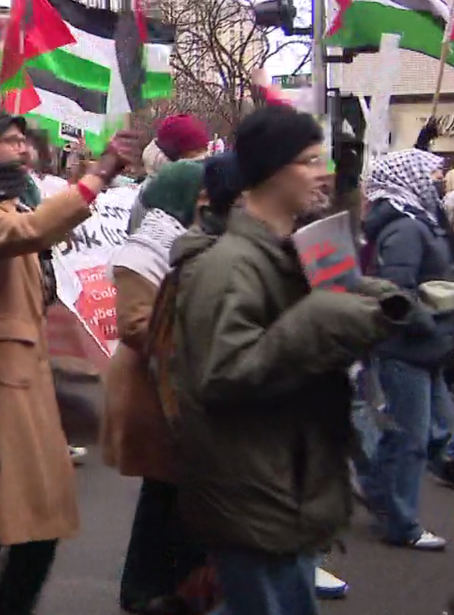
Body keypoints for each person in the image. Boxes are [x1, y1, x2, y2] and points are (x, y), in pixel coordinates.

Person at [172, 105, 413, 615]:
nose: (321, 170)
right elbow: (222, 374)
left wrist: (369, 303)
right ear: (274, 169)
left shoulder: (290, 249)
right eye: (308, 160)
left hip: (288, 483)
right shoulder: (227, 265)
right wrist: (325, 316)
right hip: (257, 493)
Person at [0, 111, 132, 613]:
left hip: (24, 386)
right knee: (4, 524)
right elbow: (29, 231)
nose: (24, 150)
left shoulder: (9, 203)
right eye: (9, 142)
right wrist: (100, 176)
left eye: (24, 141)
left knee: (32, 524)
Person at [101, 160, 207, 615]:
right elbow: (135, 325)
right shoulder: (144, 251)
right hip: (151, 391)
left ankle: (163, 587)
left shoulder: (193, 244)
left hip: (176, 387)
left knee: (169, 495)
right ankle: (146, 590)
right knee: (165, 494)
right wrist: (201, 336)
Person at [361, 148, 454, 548]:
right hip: (407, 347)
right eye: (433, 172)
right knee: (411, 439)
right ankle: (401, 523)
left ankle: (378, 489)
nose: (439, 179)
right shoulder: (405, 228)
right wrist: (426, 322)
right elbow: (396, 289)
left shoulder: (418, 219)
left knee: (439, 429)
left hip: (425, 348)